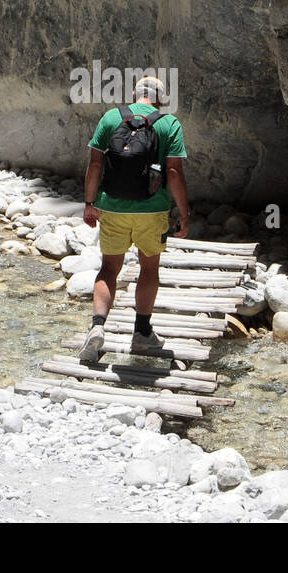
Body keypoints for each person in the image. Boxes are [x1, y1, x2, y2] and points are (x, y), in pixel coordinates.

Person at [78, 75, 190, 363]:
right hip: (152, 210)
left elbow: (95, 164)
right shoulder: (169, 124)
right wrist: (184, 213)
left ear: (133, 93)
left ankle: (97, 328)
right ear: (161, 99)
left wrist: (90, 204)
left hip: (112, 207)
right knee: (149, 268)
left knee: (109, 267)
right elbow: (174, 173)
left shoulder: (110, 118)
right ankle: (141, 333)